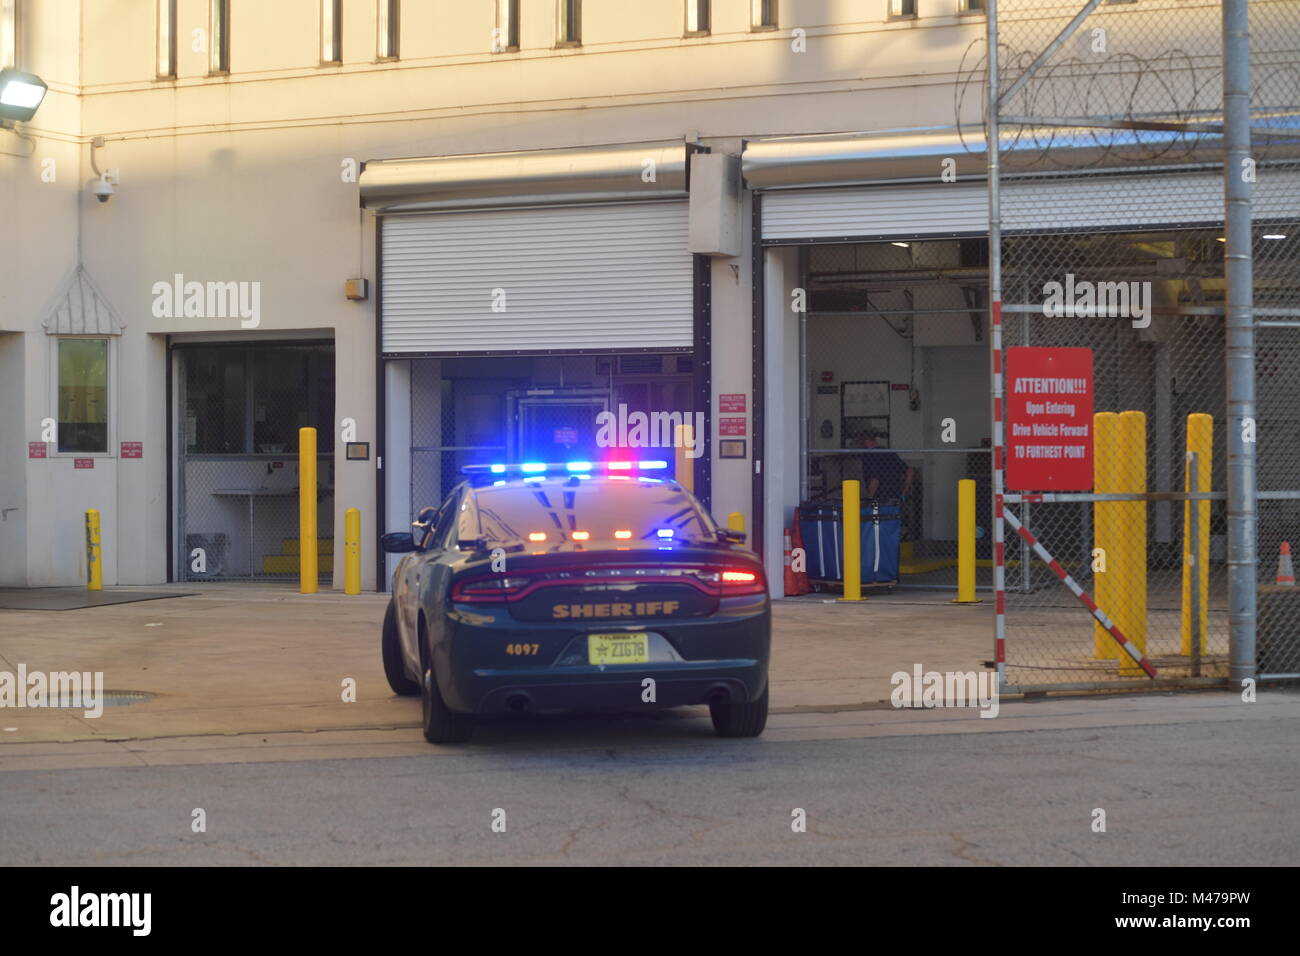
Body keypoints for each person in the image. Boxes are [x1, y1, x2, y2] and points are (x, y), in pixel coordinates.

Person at [858, 431, 913, 501]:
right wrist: (904, 493)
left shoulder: (868, 456)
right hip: (895, 496)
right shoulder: (890, 453)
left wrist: (870, 498)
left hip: (879, 498)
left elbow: (875, 480)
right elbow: (909, 472)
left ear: (865, 442)